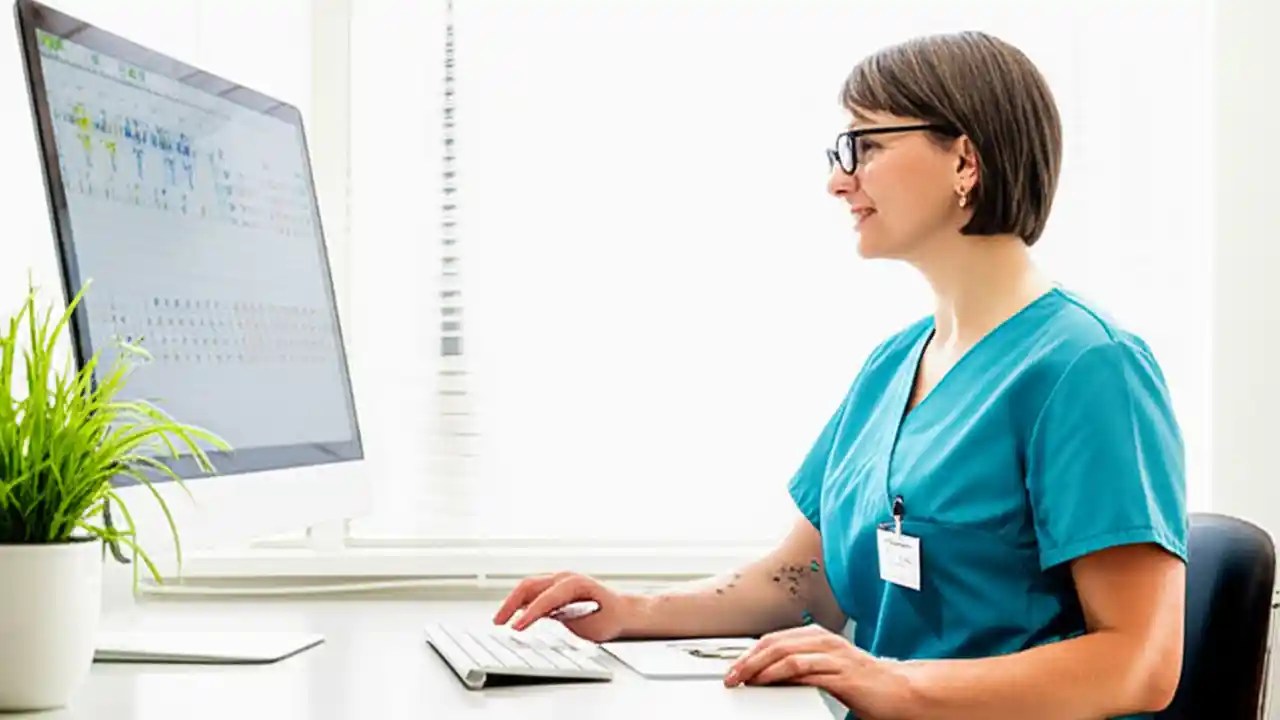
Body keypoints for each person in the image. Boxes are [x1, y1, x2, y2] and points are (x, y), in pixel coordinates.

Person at [493, 29, 1186, 720]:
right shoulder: (895, 362)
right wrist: (630, 612)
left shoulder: (1089, 368)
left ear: (965, 161)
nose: (837, 179)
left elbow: (1140, 663)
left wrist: (896, 685)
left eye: (867, 146)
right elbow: (803, 583)